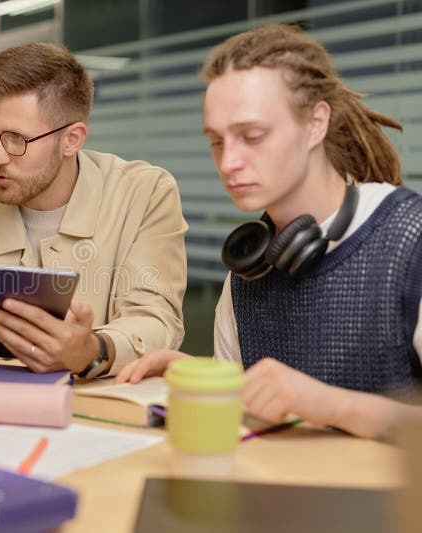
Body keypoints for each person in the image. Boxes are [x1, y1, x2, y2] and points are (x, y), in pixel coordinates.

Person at [116, 24, 422, 439]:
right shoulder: (249, 270)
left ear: (316, 124)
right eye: (217, 141)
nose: (229, 163)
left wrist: (328, 403)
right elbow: (258, 414)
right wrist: (202, 376)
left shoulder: (409, 238)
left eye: (252, 136)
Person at [0, 43, 187, 377]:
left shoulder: (144, 194)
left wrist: (93, 351)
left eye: (16, 139)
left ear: (72, 139)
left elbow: (155, 319)